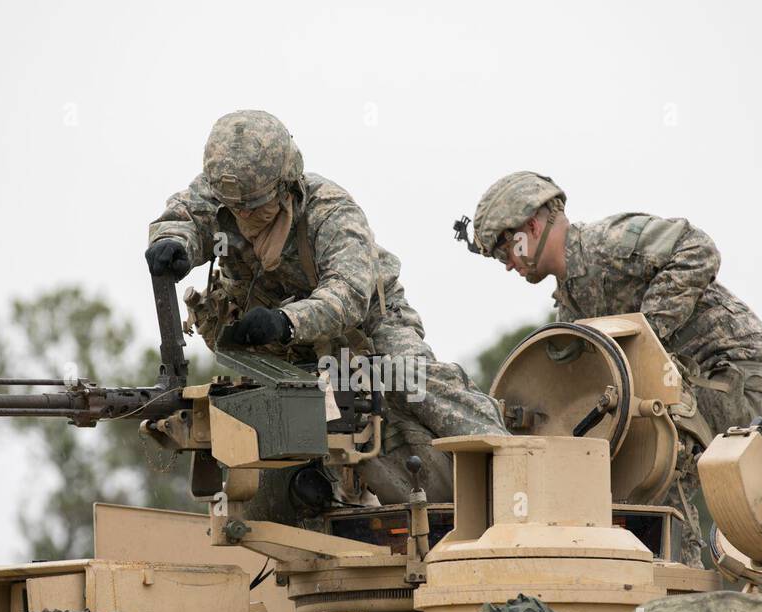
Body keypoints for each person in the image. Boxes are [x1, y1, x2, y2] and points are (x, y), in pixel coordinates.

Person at [147, 110, 506, 518]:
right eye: (236, 209)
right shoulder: (229, 190)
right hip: (276, 348)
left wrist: (287, 322)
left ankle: (512, 458)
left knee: (410, 379)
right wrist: (172, 242)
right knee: (265, 422)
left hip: (367, 327)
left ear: (287, 186)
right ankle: (317, 499)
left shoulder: (330, 212)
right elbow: (184, 216)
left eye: (256, 208)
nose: (244, 220)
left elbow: (349, 294)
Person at [461, 170, 762, 566]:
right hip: (693, 383)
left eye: (503, 251)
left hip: (740, 375)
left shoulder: (606, 244)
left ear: (530, 226)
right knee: (614, 449)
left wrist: (648, 329)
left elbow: (698, 249)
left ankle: (673, 578)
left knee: (659, 439)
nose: (507, 266)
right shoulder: (572, 302)